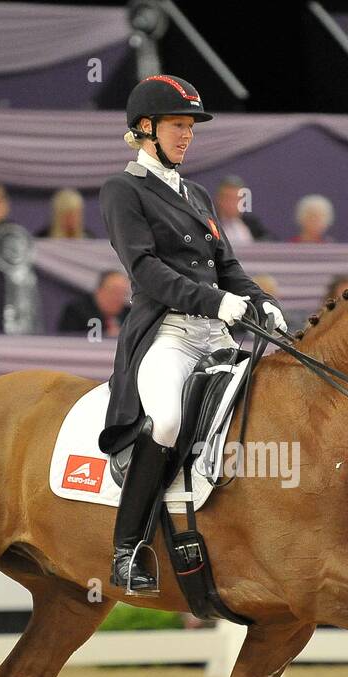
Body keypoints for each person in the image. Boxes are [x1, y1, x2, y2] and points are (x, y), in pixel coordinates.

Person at [98, 73, 283, 595]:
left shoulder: (197, 193)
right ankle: (127, 549)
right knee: (167, 421)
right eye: (177, 126)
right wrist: (216, 301)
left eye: (190, 128)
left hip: (219, 336)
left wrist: (264, 304)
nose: (187, 135)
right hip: (169, 334)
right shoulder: (123, 189)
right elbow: (146, 270)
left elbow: (230, 267)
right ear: (145, 129)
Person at [58, 269, 130, 336]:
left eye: (123, 293)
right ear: (100, 291)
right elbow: (68, 341)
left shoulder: (129, 314)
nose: (118, 298)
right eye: (114, 292)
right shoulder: (77, 311)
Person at [214, 175, 270, 245]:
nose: (232, 204)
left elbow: (269, 241)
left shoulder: (252, 223)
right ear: (219, 200)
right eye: (228, 198)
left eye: (237, 199)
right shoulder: (210, 224)